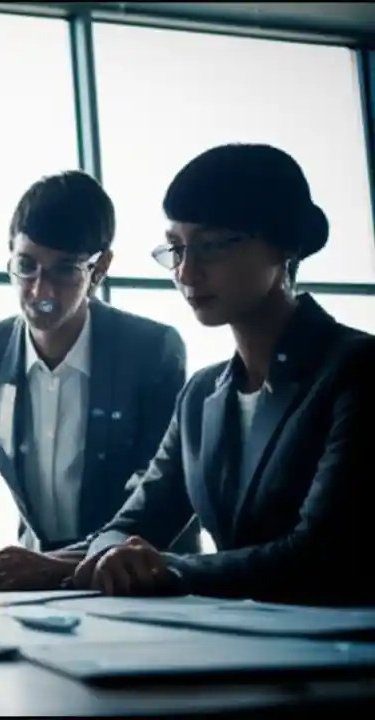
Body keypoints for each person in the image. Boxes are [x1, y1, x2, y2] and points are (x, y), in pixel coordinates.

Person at [66, 144, 375, 606]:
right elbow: (129, 526)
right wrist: (113, 554)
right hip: (235, 647)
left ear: (282, 243)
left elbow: (318, 555)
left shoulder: (356, 370)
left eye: (211, 245)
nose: (187, 271)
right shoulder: (201, 395)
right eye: (175, 248)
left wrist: (166, 568)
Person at [0, 170, 199, 590]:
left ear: (99, 268)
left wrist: (55, 563)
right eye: (26, 266)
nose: (39, 291)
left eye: (64, 271)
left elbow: (156, 499)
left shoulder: (151, 351)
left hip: (143, 582)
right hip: (37, 586)